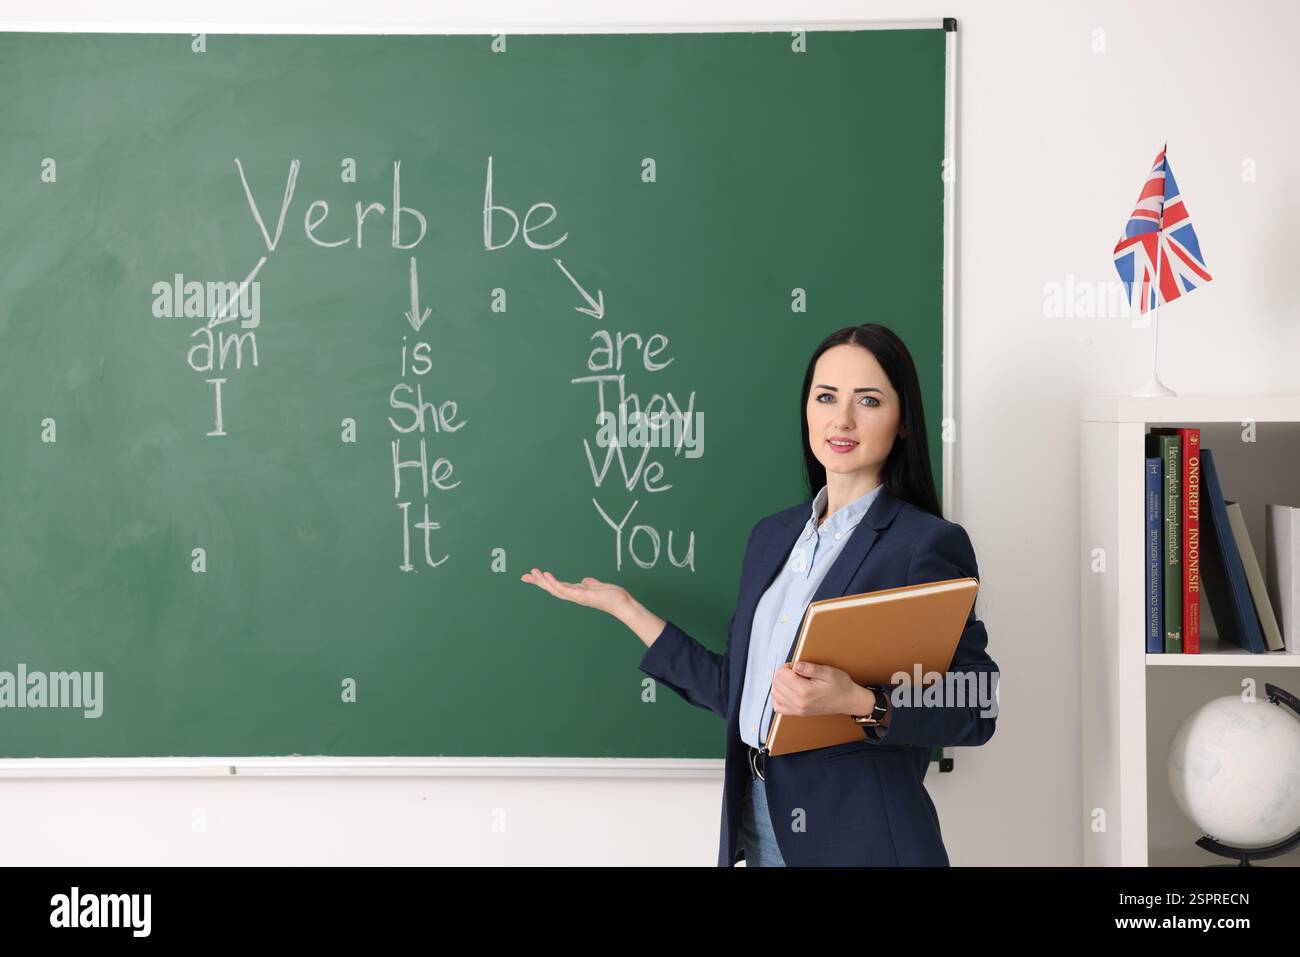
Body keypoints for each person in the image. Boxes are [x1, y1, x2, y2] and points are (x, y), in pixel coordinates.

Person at [522, 323, 999, 866]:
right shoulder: (773, 536)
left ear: (903, 420)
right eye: (826, 397)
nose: (841, 420)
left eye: (868, 400)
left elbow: (974, 703)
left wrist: (859, 702)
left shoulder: (925, 545)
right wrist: (624, 608)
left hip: (858, 837)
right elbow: (739, 692)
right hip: (759, 818)